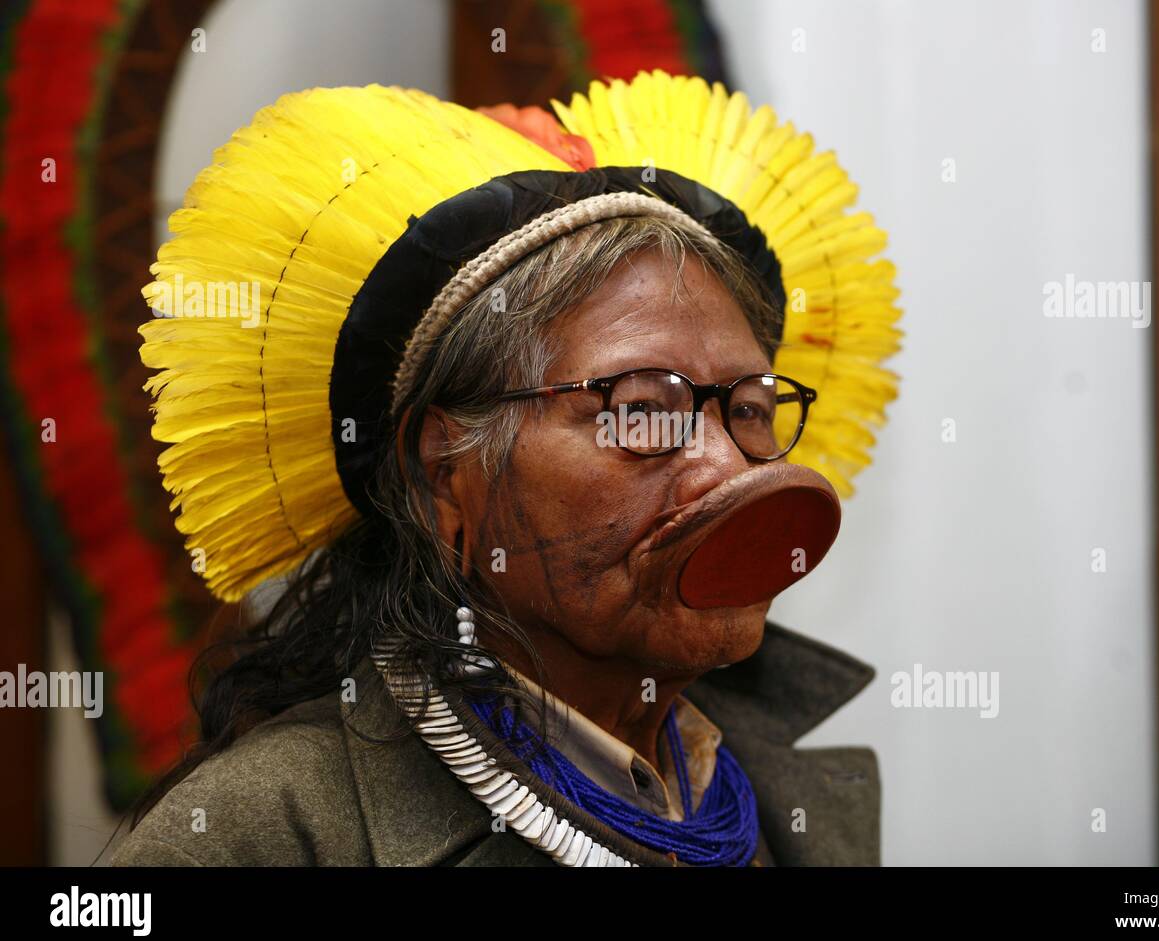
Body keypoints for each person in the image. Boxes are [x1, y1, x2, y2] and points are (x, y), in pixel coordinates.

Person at [113, 71, 901, 867]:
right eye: (639, 408)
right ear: (443, 478)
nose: (727, 463)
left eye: (750, 410)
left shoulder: (790, 798)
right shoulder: (260, 834)